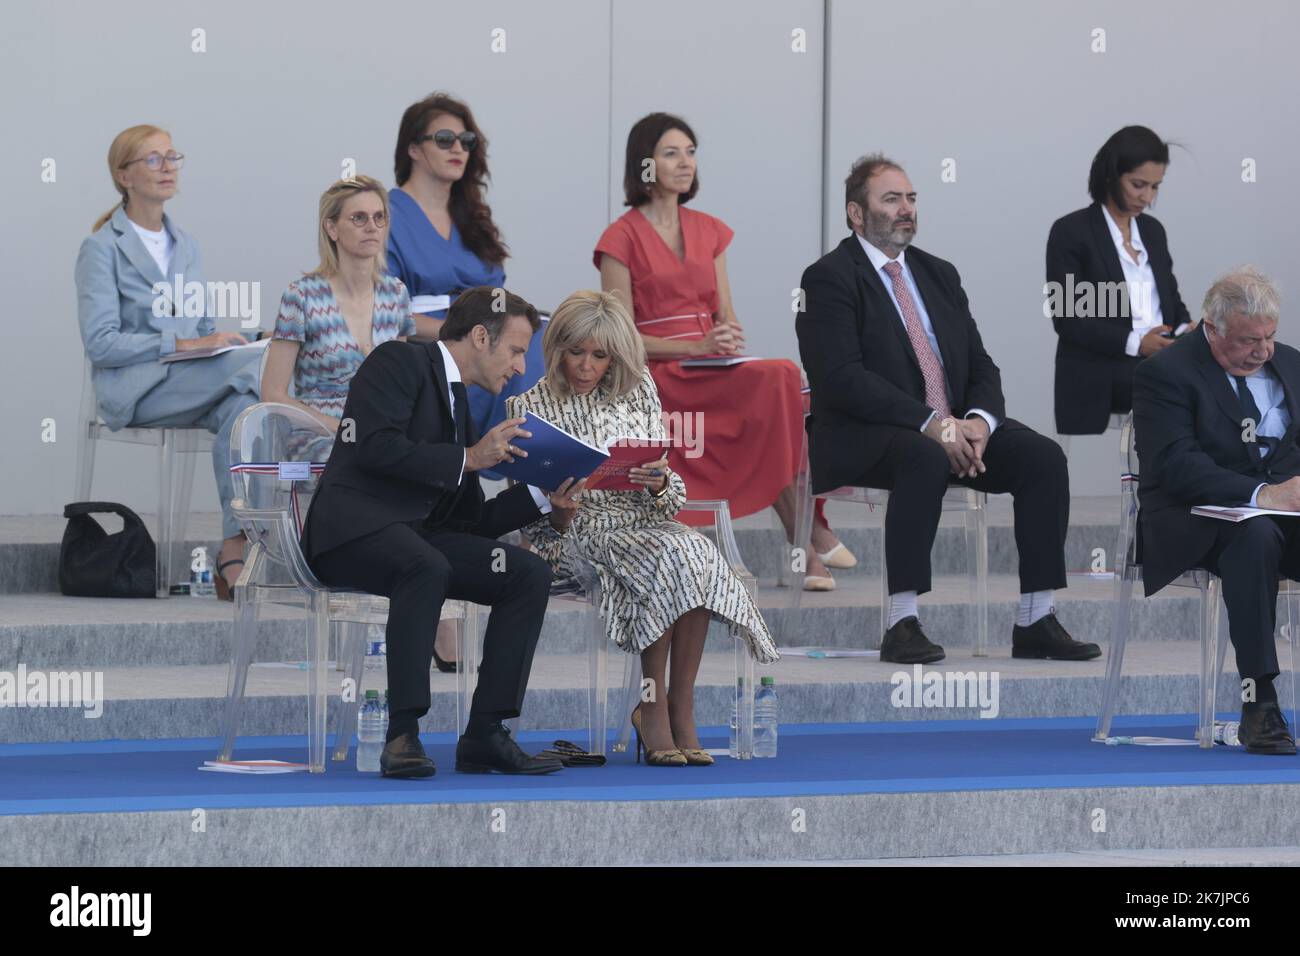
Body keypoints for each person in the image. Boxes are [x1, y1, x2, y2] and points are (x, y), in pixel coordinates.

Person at [797, 153, 1100, 664]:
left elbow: (979, 363)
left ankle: (1035, 619)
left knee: (1043, 459)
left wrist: (978, 422)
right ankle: (902, 623)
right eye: (891, 199)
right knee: (924, 456)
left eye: (912, 198)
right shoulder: (827, 278)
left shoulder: (939, 273)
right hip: (863, 432)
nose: (906, 209)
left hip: (951, 427)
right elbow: (842, 379)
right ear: (855, 213)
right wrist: (933, 425)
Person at [301, 287, 573, 778]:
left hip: (419, 539)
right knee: (424, 565)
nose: (518, 367)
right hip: (349, 534)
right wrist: (469, 458)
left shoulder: (458, 403)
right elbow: (373, 447)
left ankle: (485, 733)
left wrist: (542, 496)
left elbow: (468, 521)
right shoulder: (397, 361)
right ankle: (402, 733)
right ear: (478, 336)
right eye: (515, 350)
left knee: (526, 573)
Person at [508, 291, 779, 766]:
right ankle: (652, 707)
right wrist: (559, 513)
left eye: (599, 355)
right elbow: (527, 520)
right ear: (556, 349)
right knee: (668, 557)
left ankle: (680, 703)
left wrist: (657, 484)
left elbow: (673, 496)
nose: (586, 366)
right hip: (573, 536)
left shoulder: (639, 391)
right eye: (576, 352)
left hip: (644, 523)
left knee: (693, 552)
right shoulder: (529, 406)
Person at [596, 112, 853, 590]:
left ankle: (804, 533)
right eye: (671, 153)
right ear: (644, 164)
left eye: (691, 152)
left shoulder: (711, 229)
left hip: (709, 361)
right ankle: (806, 536)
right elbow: (618, 336)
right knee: (769, 393)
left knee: (782, 378)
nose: (685, 162)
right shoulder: (620, 237)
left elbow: (725, 315)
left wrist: (726, 337)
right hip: (654, 370)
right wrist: (696, 343)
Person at [75, 124, 260, 600]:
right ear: (124, 175)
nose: (167, 168)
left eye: (172, 157)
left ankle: (232, 545)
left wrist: (240, 340)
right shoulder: (101, 249)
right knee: (257, 375)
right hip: (135, 390)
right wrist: (181, 346)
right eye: (153, 160)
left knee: (244, 411)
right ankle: (254, 546)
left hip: (193, 383)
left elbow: (203, 331)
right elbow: (102, 344)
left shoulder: (187, 244)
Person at [1133, 267, 1298, 754]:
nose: (1262, 351)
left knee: (1266, 532)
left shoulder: (1289, 364)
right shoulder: (1165, 374)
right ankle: (1260, 703)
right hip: (1199, 517)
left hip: (1284, 514)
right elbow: (1176, 466)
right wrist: (1261, 497)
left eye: (1269, 337)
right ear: (1213, 329)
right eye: (1249, 341)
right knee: (1256, 537)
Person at [387, 92, 546, 440]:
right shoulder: (384, 216)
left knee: (547, 336)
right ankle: (522, 450)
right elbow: (382, 314)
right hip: (431, 348)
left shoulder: (473, 218)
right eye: (444, 140)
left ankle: (542, 464)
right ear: (413, 148)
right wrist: (464, 336)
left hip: (488, 340)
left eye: (466, 141)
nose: (458, 148)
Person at [1048, 126, 1192, 441]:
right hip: (1104, 369)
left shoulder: (1153, 231)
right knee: (1190, 388)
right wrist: (1138, 342)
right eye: (1138, 185)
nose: (1147, 197)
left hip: (1160, 358)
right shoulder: (1071, 232)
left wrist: (1185, 329)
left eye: (1155, 187)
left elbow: (1171, 302)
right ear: (1111, 176)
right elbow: (1069, 320)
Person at [263, 176, 414, 433]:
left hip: (383, 436)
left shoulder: (396, 294)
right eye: (359, 218)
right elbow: (273, 395)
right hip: (319, 437)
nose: (372, 226)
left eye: (379, 217)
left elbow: (402, 387)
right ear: (331, 228)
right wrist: (342, 431)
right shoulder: (301, 296)